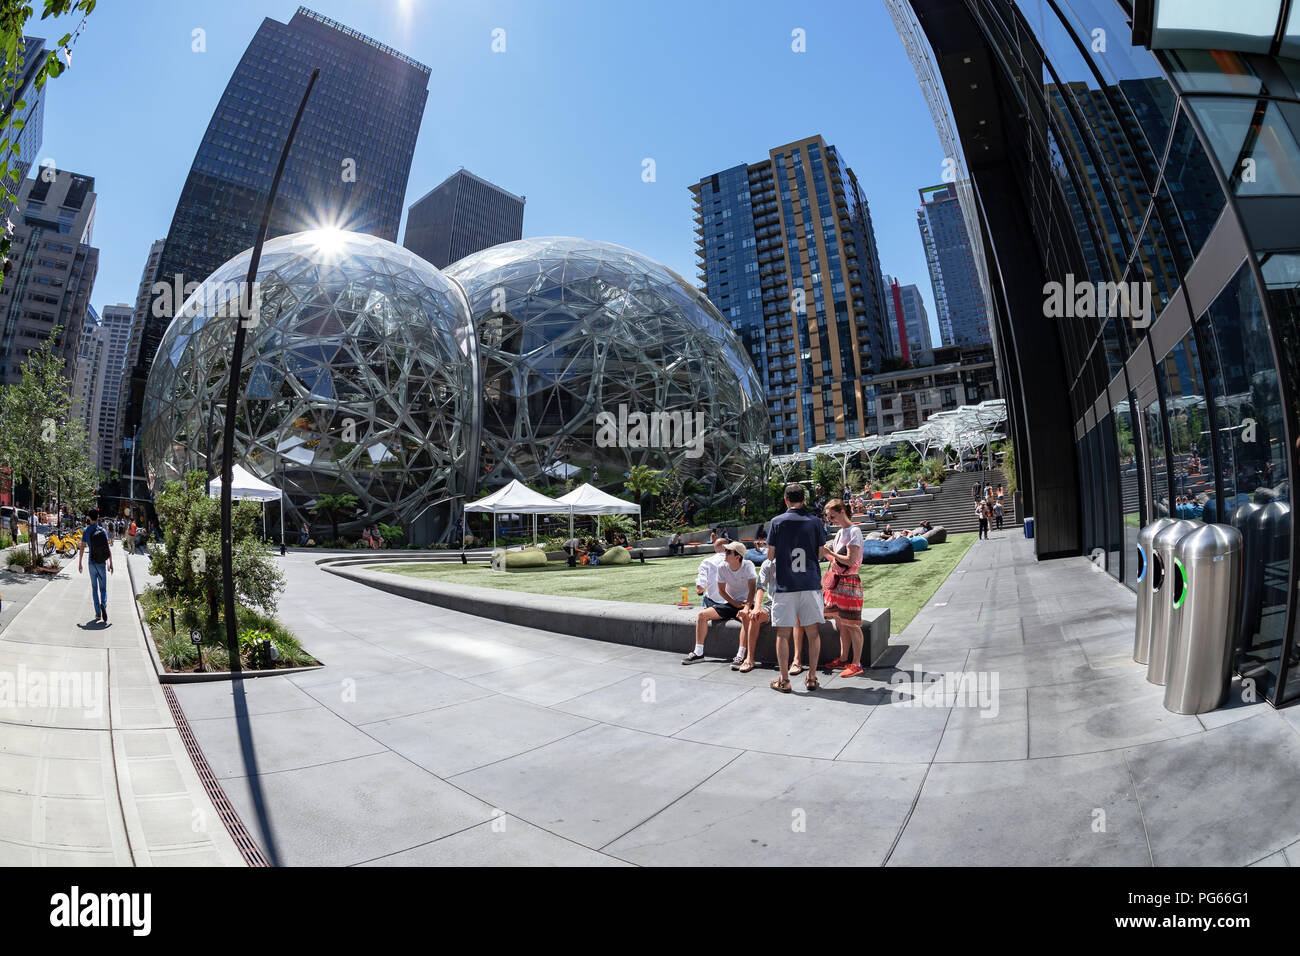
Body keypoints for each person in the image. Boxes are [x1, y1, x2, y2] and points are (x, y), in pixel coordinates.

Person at [766, 483, 825, 693]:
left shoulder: (776, 522)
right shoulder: (816, 522)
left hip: (785, 585)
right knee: (813, 632)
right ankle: (812, 677)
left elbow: (770, 555)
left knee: (783, 633)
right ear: (804, 499)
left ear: (785, 499)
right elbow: (820, 554)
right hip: (809, 584)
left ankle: (784, 680)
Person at [685, 541, 756, 666]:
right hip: (730, 603)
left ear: (737, 556)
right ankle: (698, 652)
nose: (725, 553)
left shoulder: (748, 565)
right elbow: (721, 591)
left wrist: (746, 607)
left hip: (747, 603)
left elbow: (752, 590)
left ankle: (740, 655)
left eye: (728, 551)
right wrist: (734, 604)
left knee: (746, 618)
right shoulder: (722, 567)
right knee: (702, 615)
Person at [821, 499, 866, 678]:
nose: (830, 519)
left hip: (849, 583)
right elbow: (839, 562)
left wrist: (830, 553)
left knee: (852, 624)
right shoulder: (841, 532)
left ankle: (856, 663)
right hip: (838, 582)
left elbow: (851, 560)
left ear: (842, 512)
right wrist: (828, 555)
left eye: (832, 516)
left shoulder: (854, 531)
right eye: (828, 517)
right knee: (842, 623)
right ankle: (844, 659)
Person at [736, 556, 775, 673]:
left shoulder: (792, 559)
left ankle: (795, 660)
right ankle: (749, 658)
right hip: (773, 603)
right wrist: (756, 608)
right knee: (754, 616)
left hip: (791, 602)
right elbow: (761, 587)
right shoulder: (767, 563)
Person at [77, 508, 114, 624]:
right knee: (103, 588)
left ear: (88, 518)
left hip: (91, 562)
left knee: (94, 588)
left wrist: (80, 562)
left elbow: (82, 547)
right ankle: (104, 603)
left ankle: (98, 612)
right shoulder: (102, 531)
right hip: (101, 562)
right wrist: (110, 562)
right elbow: (107, 548)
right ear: (98, 517)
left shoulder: (86, 531)